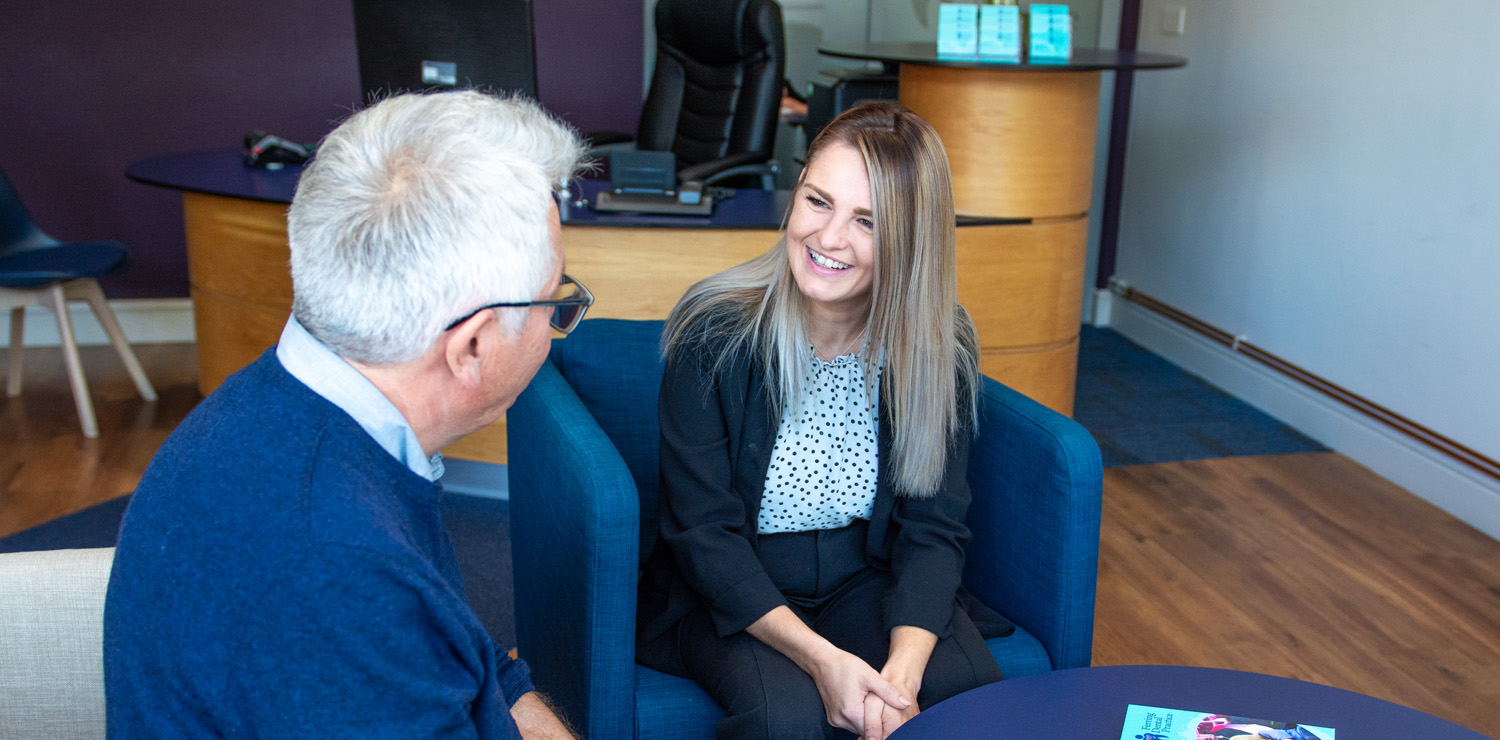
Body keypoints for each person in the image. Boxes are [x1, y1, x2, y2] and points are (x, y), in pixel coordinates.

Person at [104, 91, 592, 739]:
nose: (558, 320)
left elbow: (476, 666)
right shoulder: (334, 564)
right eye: (554, 300)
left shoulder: (319, 416)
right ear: (471, 347)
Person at [636, 101, 1009, 740]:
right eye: (817, 201)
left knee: (958, 695)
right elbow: (701, 533)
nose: (829, 238)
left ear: (911, 239)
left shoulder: (937, 346)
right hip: (737, 586)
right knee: (787, 719)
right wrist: (824, 660)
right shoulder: (714, 333)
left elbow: (933, 527)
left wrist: (902, 675)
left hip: (865, 573)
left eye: (867, 220)